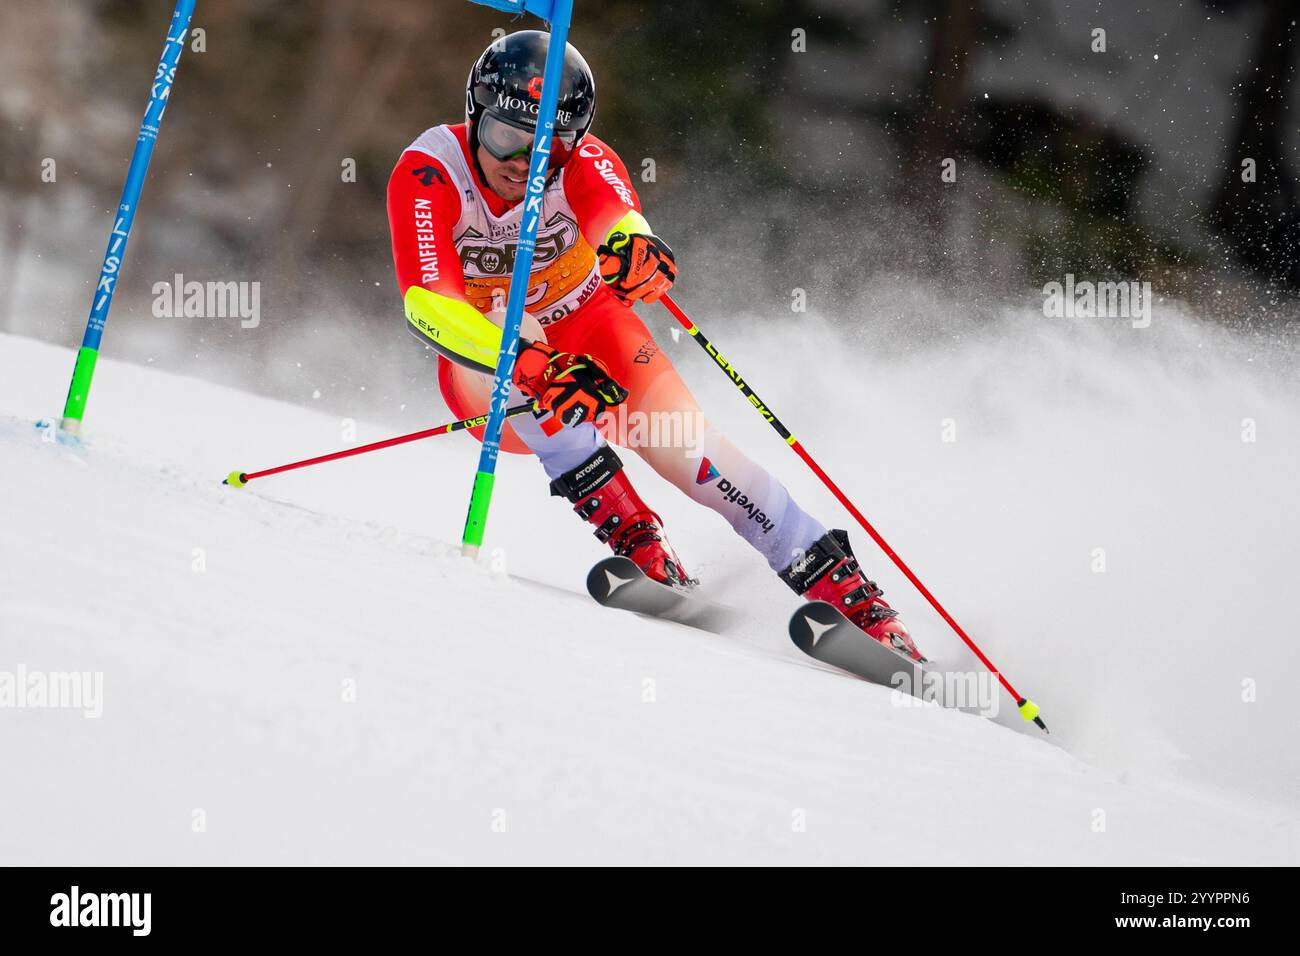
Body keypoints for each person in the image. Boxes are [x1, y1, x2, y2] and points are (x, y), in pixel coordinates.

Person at [386, 30, 923, 660]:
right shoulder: (429, 171)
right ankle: (638, 536)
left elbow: (615, 215)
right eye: (508, 135)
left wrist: (633, 248)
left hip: (592, 326)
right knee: (522, 341)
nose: (524, 161)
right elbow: (429, 305)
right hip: (489, 364)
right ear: (476, 115)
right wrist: (527, 361)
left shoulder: (582, 163)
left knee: (693, 454)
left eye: (548, 147)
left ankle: (846, 590)